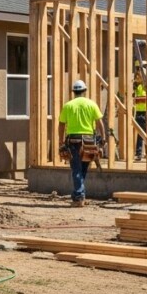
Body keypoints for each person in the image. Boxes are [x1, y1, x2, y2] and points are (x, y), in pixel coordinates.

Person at [58, 79, 105, 207]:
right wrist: (103, 138)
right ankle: (78, 194)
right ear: (84, 91)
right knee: (83, 168)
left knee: (77, 169)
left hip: (73, 141)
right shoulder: (91, 104)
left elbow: (61, 124)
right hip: (88, 141)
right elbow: (100, 122)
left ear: (74, 92)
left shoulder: (68, 105)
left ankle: (78, 196)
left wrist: (60, 141)